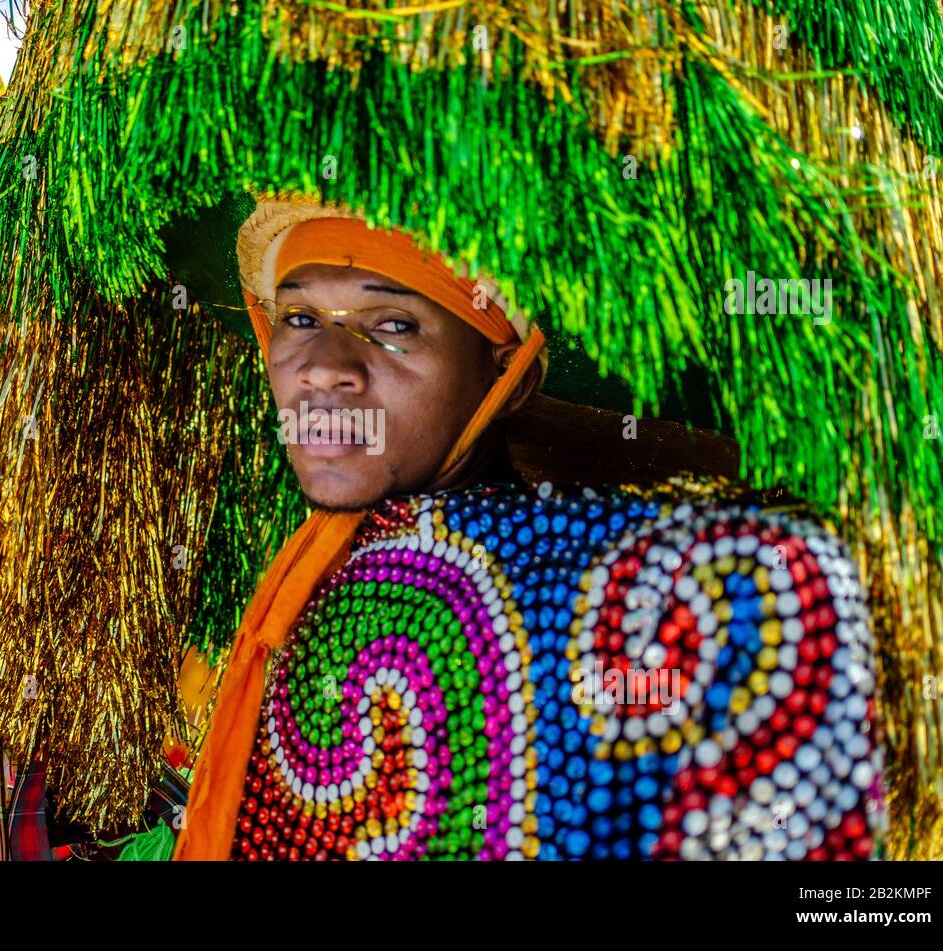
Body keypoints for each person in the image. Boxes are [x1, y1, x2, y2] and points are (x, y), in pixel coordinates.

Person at [172, 198, 883, 861]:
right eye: (299, 319)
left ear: (507, 374)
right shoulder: (317, 568)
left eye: (393, 325)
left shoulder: (609, 580)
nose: (322, 367)